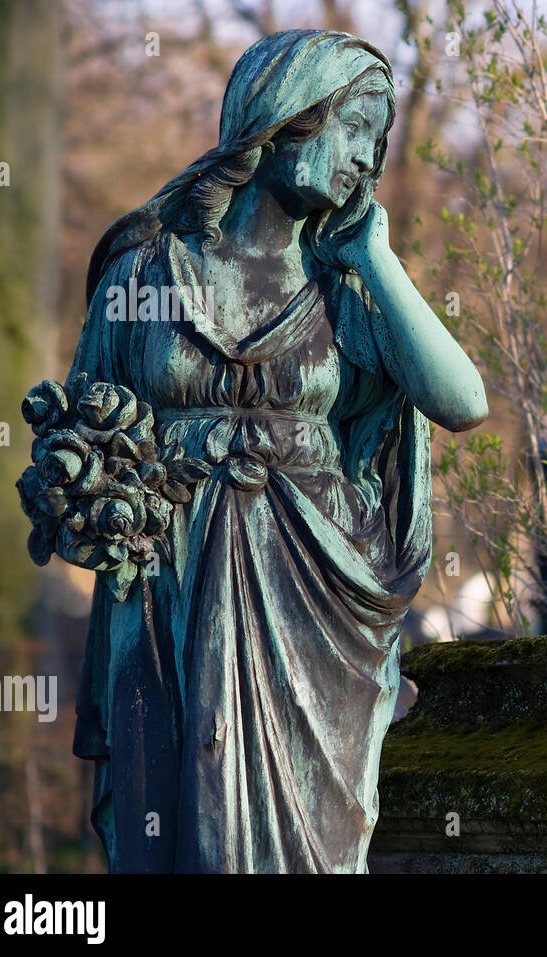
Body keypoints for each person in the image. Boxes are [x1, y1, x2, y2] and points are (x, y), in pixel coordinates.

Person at [68, 29, 486, 872]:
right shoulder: (146, 275)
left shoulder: (342, 294)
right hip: (170, 597)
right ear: (285, 119)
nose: (368, 158)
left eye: (380, 137)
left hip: (311, 608)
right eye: (357, 126)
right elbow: (79, 438)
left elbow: (462, 402)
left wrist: (374, 254)